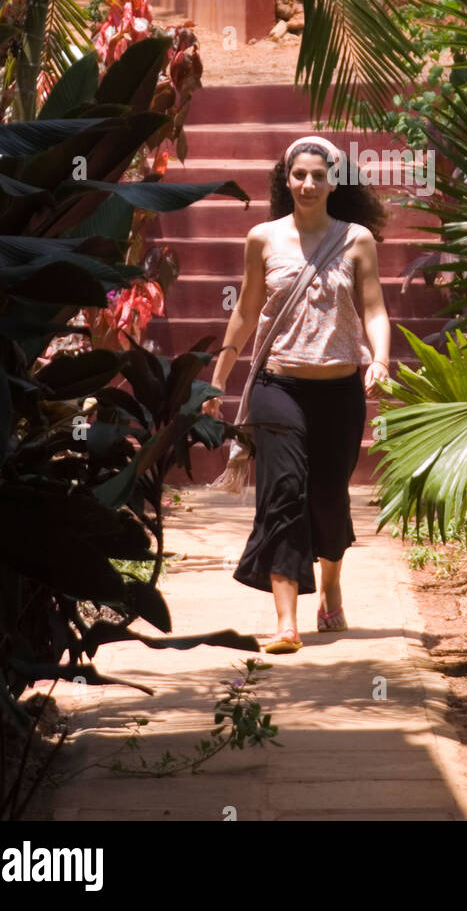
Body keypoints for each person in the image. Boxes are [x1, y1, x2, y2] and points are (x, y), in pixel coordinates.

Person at [202, 135, 391, 654]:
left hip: (339, 392)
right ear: (286, 180)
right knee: (282, 493)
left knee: (328, 499)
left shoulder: (357, 240)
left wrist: (379, 357)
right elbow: (244, 312)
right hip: (277, 386)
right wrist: (216, 378)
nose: (308, 184)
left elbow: (373, 308)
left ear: (335, 181)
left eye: (318, 175)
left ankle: (330, 585)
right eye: (298, 175)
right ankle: (286, 623)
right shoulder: (262, 238)